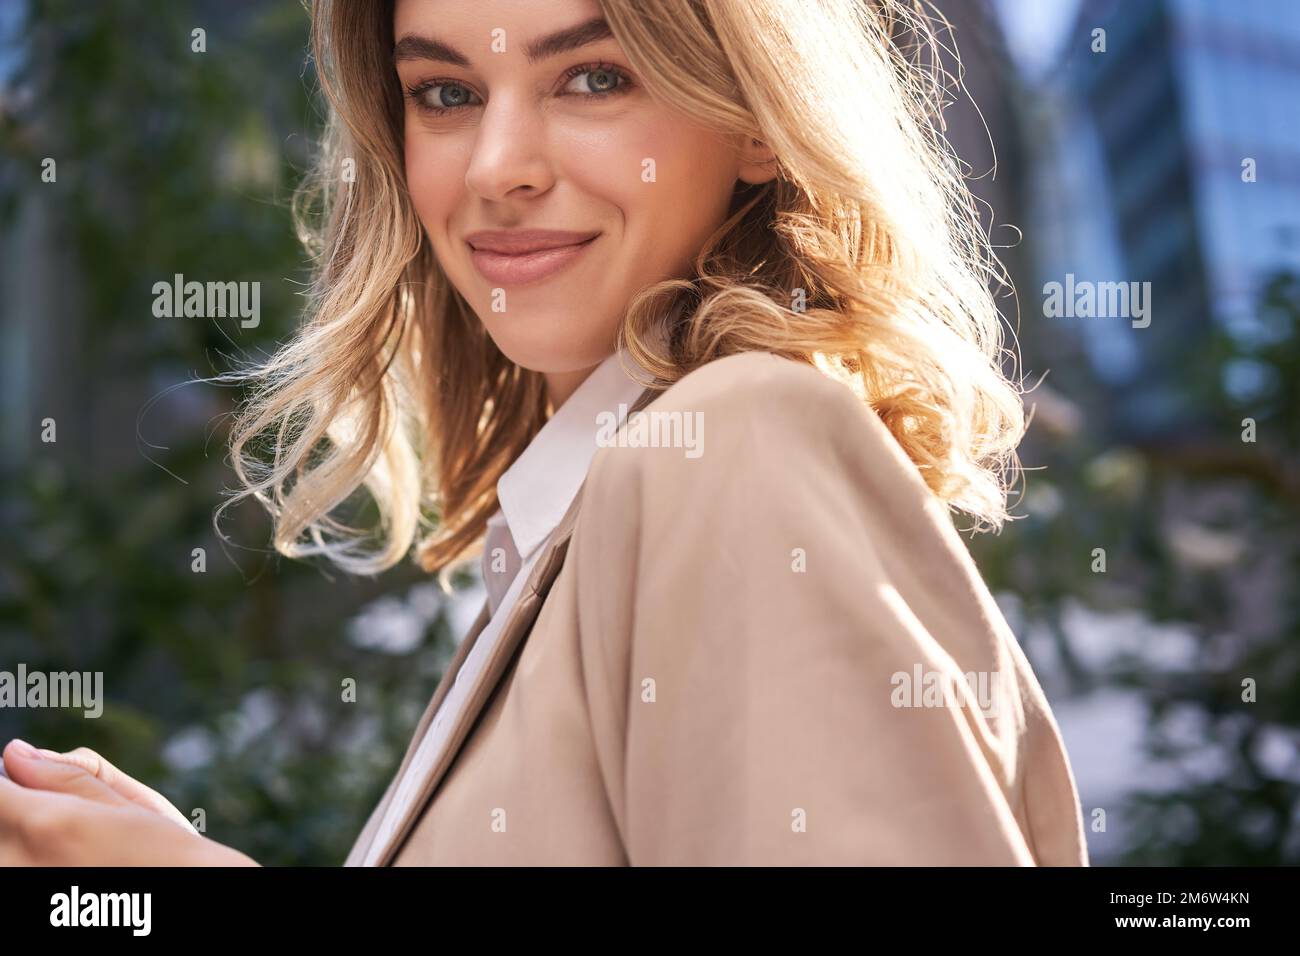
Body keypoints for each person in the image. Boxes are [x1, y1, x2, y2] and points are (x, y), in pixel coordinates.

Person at [0, 0, 1088, 866]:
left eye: (593, 76)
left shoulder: (734, 437)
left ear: (756, 116)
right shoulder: (582, 525)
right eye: (445, 92)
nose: (495, 166)